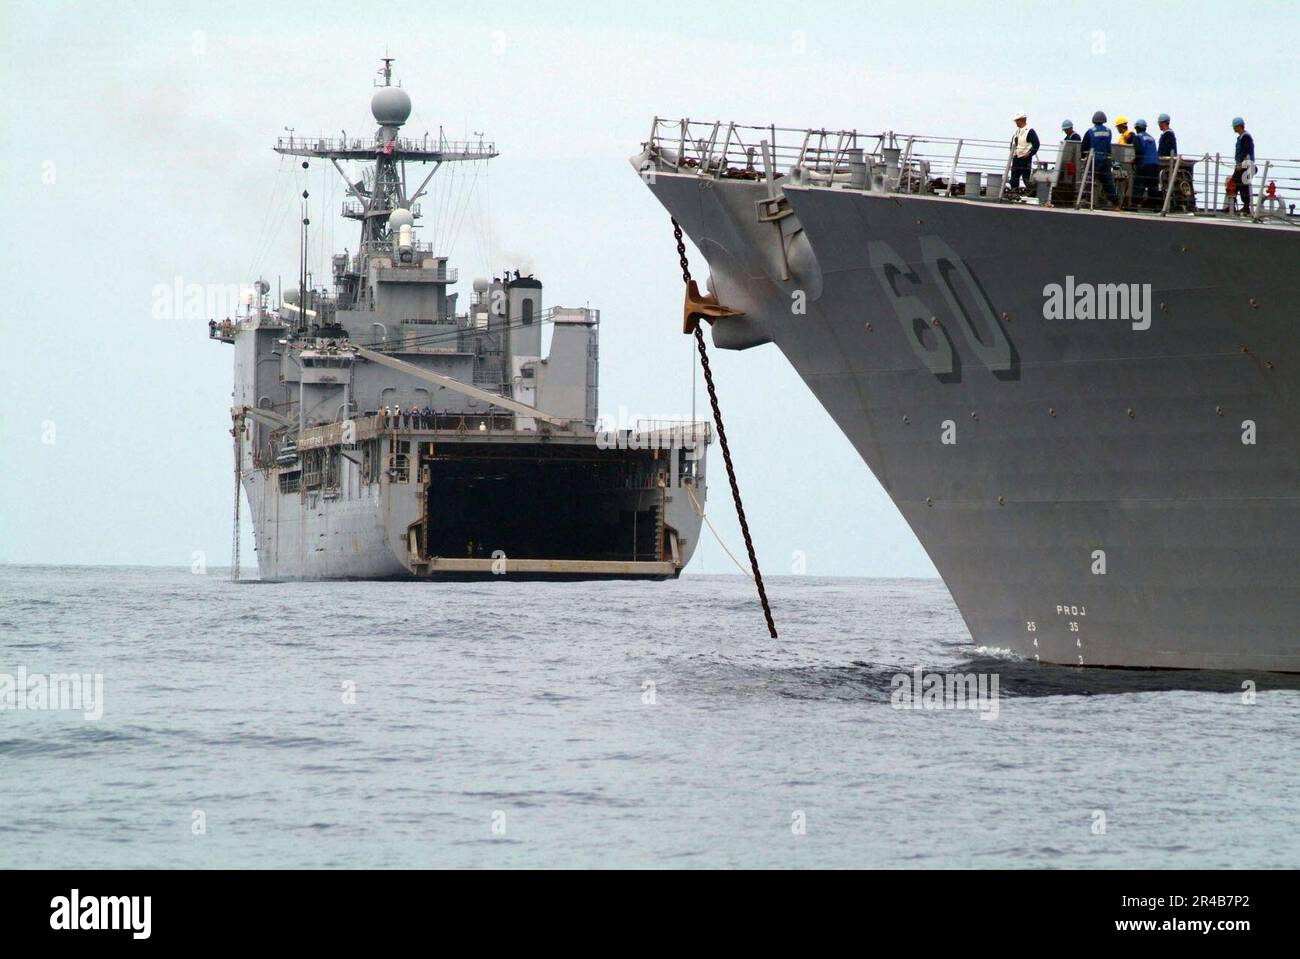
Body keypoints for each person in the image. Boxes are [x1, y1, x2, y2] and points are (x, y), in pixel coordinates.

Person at [1080, 111, 1119, 207]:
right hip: (1106, 159)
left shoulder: (1090, 131)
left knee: (1088, 179)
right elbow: (1108, 145)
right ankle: (1115, 202)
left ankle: (1083, 199)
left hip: (1094, 160)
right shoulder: (1108, 131)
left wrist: (1083, 157)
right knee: (1108, 182)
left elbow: (1084, 147)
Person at [1008, 110, 1040, 193]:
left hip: (1025, 158)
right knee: (1014, 177)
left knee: (1026, 179)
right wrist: (1012, 152)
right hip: (1016, 158)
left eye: (1017, 120)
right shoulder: (1017, 131)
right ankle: (1014, 193)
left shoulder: (1029, 131)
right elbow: (1012, 143)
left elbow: (1036, 144)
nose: (1016, 122)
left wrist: (1029, 154)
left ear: (1023, 119)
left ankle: (1032, 192)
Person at [1131, 119, 1160, 206]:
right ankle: (1154, 205)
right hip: (1155, 164)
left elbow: (1139, 151)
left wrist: (1134, 161)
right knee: (1153, 186)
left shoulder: (1137, 137)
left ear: (1137, 128)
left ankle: (1134, 205)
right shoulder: (1151, 138)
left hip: (1145, 164)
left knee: (1139, 184)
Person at [1231, 117, 1255, 215]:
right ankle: (1232, 205)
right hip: (1242, 165)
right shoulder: (1241, 137)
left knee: (1242, 185)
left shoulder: (1246, 137)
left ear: (1239, 126)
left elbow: (1247, 153)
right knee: (1233, 184)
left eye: (1235, 127)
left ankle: (1246, 207)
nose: (1234, 128)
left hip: (1247, 166)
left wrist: (1242, 165)